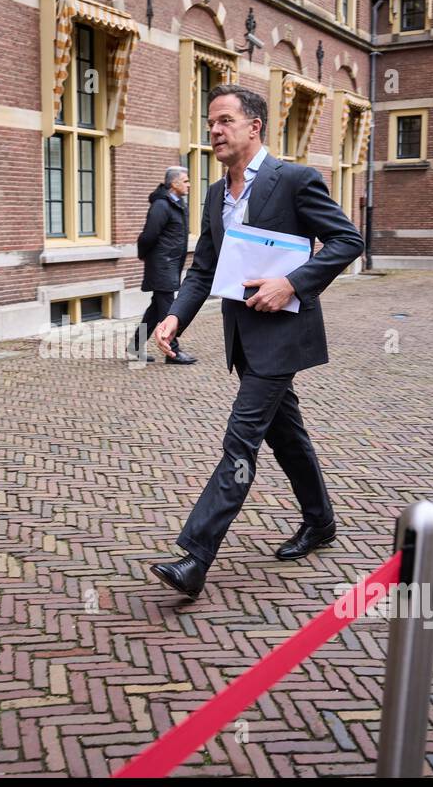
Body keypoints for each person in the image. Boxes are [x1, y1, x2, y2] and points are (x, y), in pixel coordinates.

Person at [148, 84, 364, 599]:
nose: (215, 130)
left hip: (283, 336)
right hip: (242, 338)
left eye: (224, 120)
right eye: (210, 122)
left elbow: (347, 240)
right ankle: (321, 522)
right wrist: (175, 317)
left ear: (254, 127)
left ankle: (195, 557)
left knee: (239, 441)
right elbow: (204, 268)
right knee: (286, 435)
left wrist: (292, 282)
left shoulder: (293, 180)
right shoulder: (215, 193)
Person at [130, 167, 196, 364]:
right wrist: (144, 255)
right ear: (173, 184)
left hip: (170, 265)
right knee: (168, 310)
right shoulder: (161, 205)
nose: (189, 184)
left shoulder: (178, 204)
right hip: (162, 266)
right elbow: (148, 235)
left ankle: (135, 346)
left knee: (154, 311)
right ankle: (172, 351)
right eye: (185, 181)